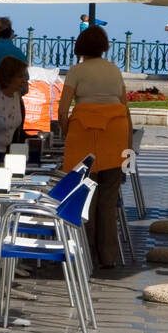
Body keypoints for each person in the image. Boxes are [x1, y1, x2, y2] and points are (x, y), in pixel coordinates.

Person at [58, 26, 131, 269]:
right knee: (108, 202)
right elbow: (125, 107)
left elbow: (62, 111)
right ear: (104, 46)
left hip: (83, 140)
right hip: (115, 138)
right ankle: (108, 256)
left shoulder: (76, 71)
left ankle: (85, 254)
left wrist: (70, 134)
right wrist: (127, 144)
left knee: (85, 198)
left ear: (80, 46)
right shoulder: (114, 70)